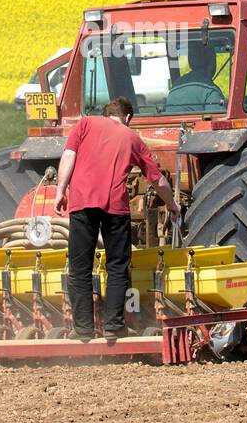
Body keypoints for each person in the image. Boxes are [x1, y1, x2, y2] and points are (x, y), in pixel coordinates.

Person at [53, 97, 180, 340]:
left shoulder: (85, 124)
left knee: (80, 268)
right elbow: (158, 180)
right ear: (128, 118)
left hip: (81, 203)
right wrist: (173, 205)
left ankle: (83, 329)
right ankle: (113, 327)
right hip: (115, 207)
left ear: (105, 114)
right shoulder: (133, 138)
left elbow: (68, 156)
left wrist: (60, 192)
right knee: (117, 267)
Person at [163, 39, 226, 112]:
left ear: (190, 61)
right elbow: (216, 120)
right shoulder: (210, 91)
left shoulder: (175, 88)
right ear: (211, 62)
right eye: (214, 58)